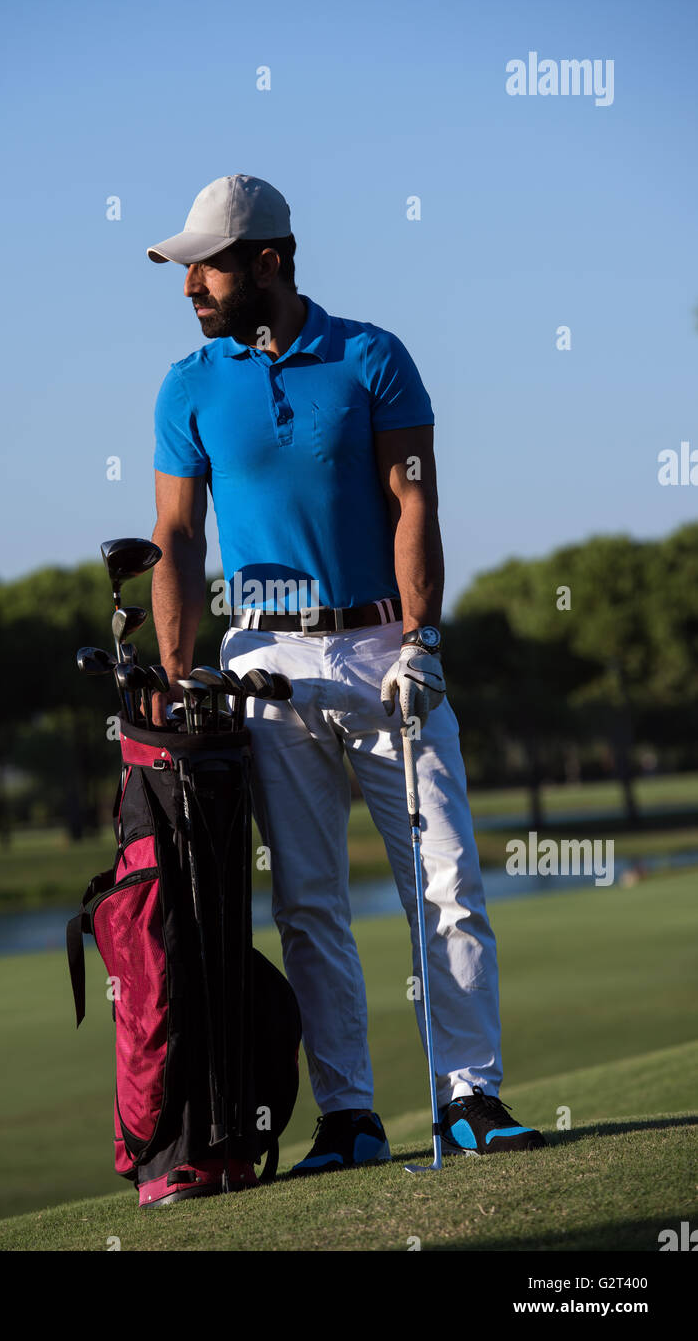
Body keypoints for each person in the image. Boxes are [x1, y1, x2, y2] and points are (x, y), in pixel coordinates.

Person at [146, 173, 544, 1171]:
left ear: (270, 258)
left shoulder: (373, 357)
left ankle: (468, 1098)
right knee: (310, 902)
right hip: (262, 659)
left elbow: (415, 505)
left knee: (446, 879)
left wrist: (422, 640)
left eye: (209, 263)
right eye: (186, 266)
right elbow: (177, 537)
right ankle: (350, 1117)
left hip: (379, 651)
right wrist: (178, 669)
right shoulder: (188, 384)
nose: (191, 284)